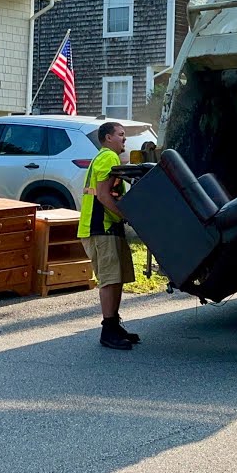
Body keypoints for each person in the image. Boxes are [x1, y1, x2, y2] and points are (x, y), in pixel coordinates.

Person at [79, 121, 140, 350]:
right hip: (100, 227)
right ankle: (108, 331)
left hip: (108, 226)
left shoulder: (109, 157)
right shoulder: (107, 157)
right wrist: (127, 216)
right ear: (108, 138)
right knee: (109, 280)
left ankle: (114, 325)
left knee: (117, 277)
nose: (124, 139)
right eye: (121, 134)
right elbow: (104, 196)